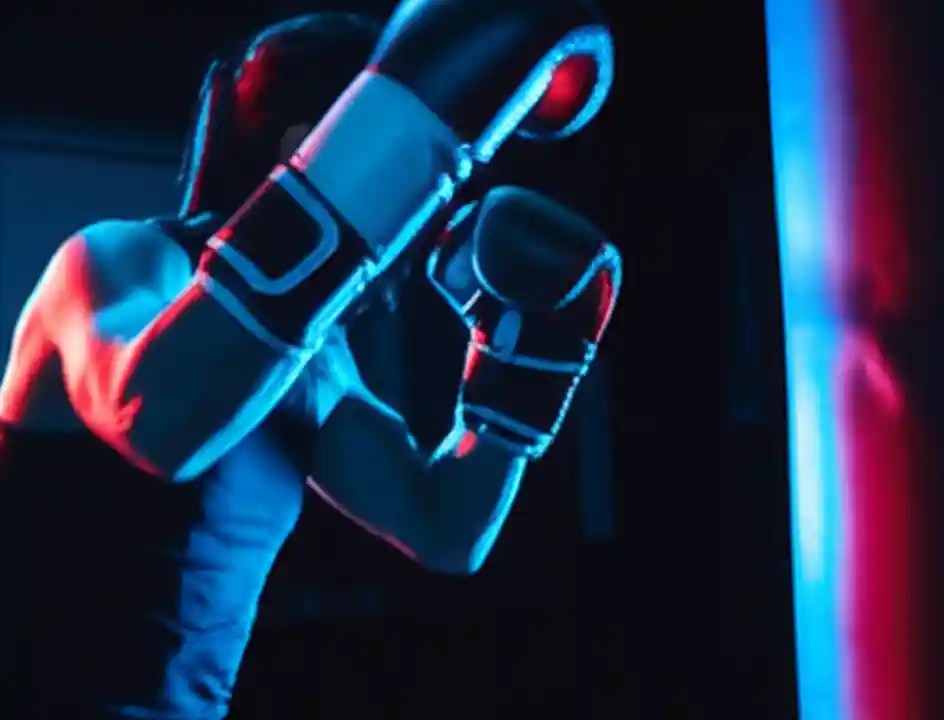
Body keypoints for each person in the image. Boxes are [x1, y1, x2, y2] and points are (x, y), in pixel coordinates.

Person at [0, 3, 617, 717]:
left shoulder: (317, 366)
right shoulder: (117, 260)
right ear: (321, 153)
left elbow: (442, 527)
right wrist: (397, 144)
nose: (425, 228)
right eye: (420, 189)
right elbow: (154, 419)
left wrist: (523, 366)